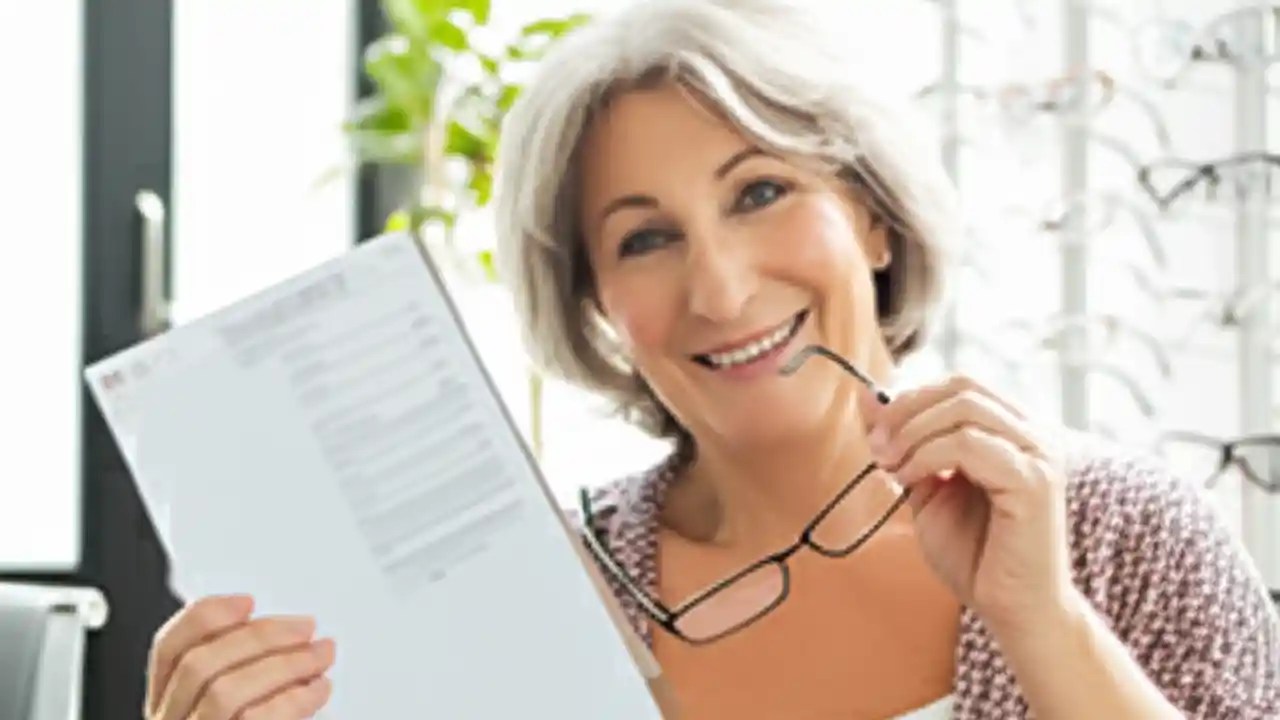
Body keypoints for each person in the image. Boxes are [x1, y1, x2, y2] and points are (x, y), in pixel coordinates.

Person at [140, 1, 1280, 718]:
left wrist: (1045, 623)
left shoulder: (1127, 539)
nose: (721, 289)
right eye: (644, 239)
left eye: (760, 192)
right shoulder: (531, 590)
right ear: (596, 305)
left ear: (873, 219)